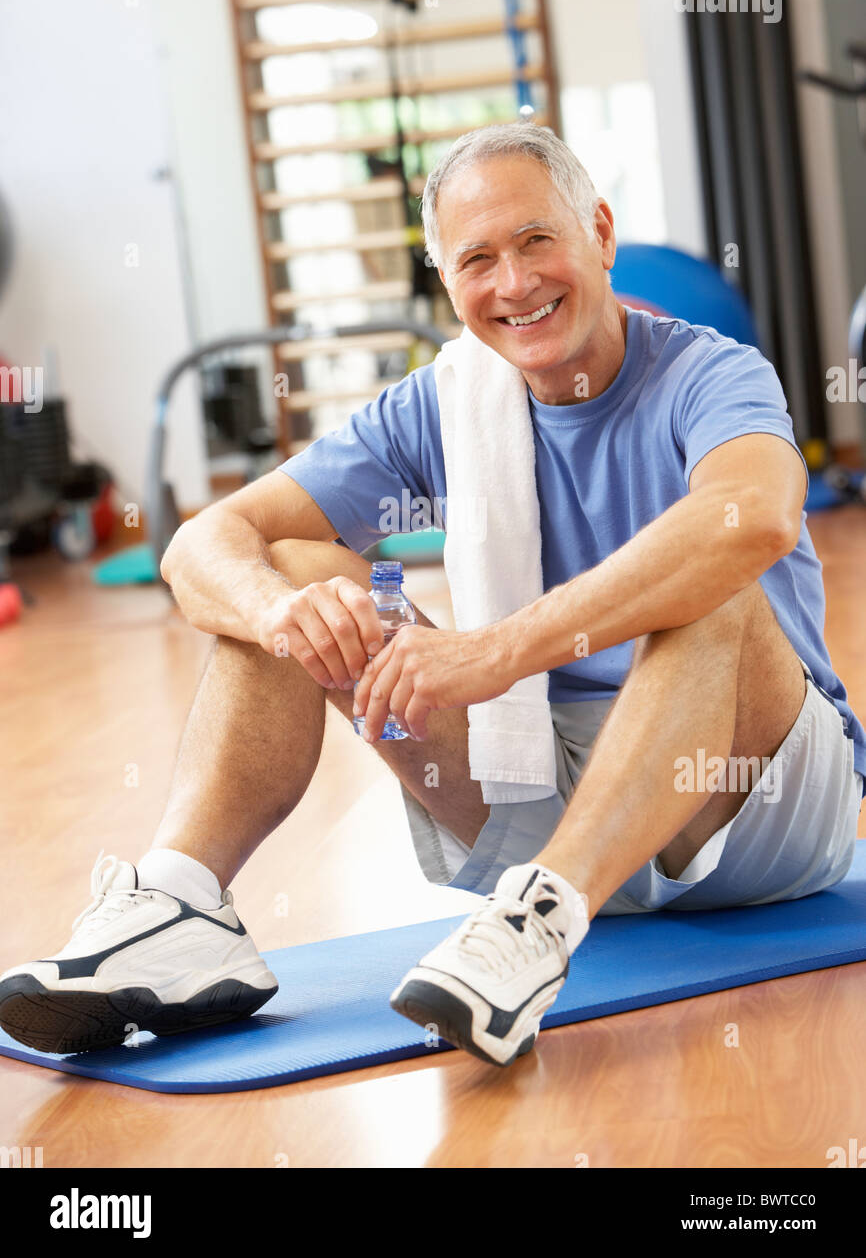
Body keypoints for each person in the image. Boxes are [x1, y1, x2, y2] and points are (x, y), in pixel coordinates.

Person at [1, 123, 862, 1068]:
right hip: (538, 781)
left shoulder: (710, 373)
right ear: (448, 282)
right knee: (293, 565)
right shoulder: (444, 403)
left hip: (747, 804)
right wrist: (277, 616)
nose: (515, 283)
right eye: (478, 259)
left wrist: (496, 651)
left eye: (538, 241)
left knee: (717, 583)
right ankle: (183, 901)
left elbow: (756, 518)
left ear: (601, 234)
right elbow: (205, 543)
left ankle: (540, 919)